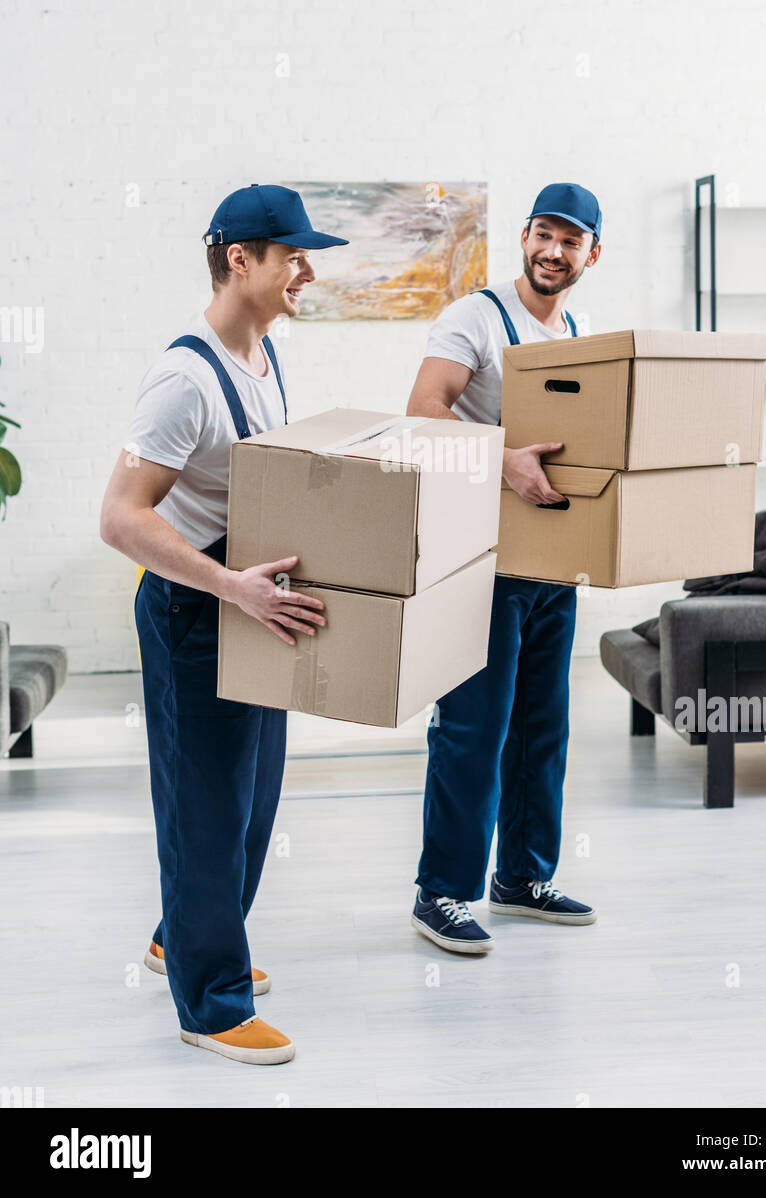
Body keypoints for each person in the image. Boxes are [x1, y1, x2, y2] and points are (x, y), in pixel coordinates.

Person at [100, 183, 347, 1063]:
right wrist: (226, 587)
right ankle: (209, 1003)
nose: (307, 272)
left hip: (250, 604)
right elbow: (123, 516)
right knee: (204, 808)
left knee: (250, 803)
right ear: (239, 259)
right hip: (193, 612)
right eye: (293, 256)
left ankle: (180, 932)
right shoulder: (183, 377)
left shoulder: (264, 356)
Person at [407, 182, 603, 954]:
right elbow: (422, 409)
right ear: (522, 238)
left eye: (570, 240)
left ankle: (521, 876)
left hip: (551, 560)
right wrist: (502, 463)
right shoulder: (475, 318)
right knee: (473, 726)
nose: (553, 251)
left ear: (591, 253)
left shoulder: (580, 334)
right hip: (477, 558)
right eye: (543, 235)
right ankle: (441, 892)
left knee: (541, 726)